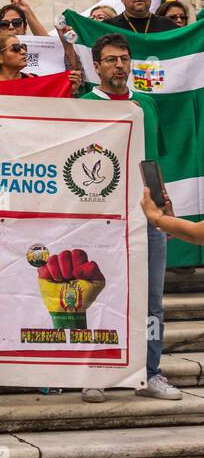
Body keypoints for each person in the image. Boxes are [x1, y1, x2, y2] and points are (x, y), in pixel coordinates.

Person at [79, 33, 180, 402]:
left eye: (124, 58)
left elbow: (152, 159)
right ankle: (95, 373)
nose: (119, 65)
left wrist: (164, 203)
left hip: (147, 217)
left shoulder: (147, 105)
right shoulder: (84, 105)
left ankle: (150, 372)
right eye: (111, 59)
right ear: (97, 65)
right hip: (102, 220)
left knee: (152, 299)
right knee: (99, 295)